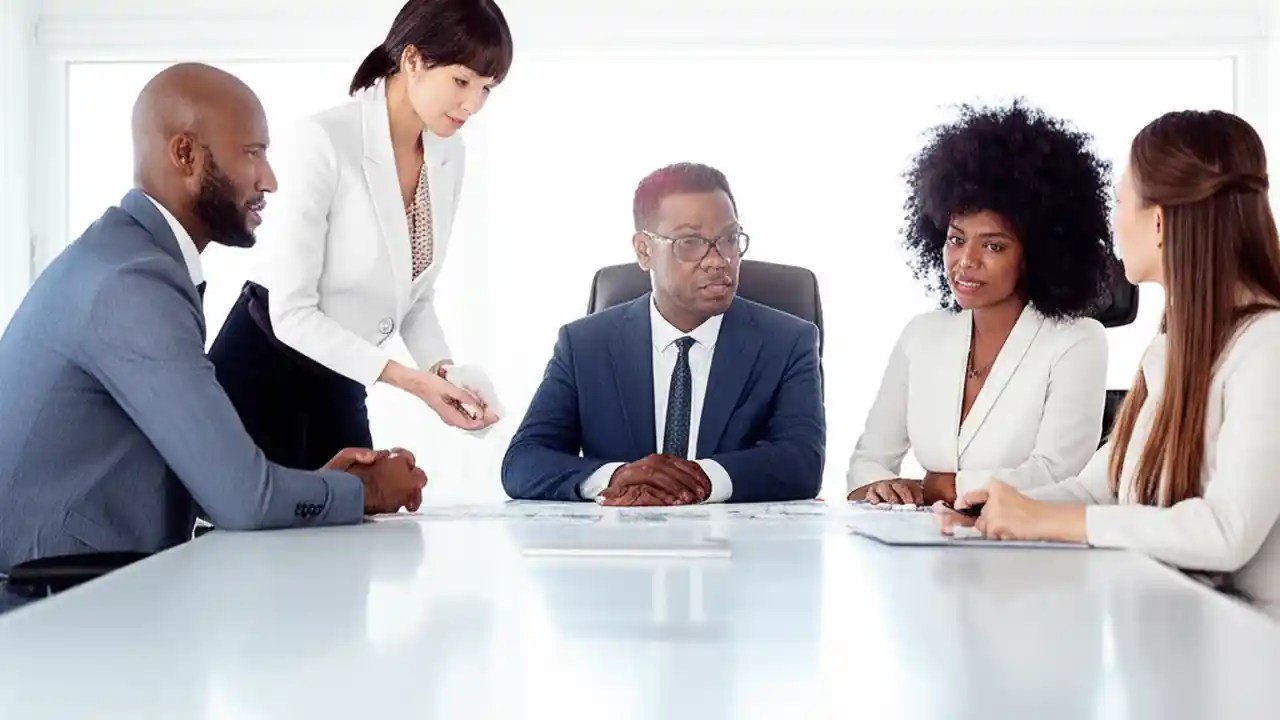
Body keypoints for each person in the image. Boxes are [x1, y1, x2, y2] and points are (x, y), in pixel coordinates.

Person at [0, 64, 427, 602]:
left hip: (90, 593)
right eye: (252, 152)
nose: (269, 179)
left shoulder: (126, 257)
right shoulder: (133, 283)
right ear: (185, 154)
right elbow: (242, 498)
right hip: (55, 618)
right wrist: (361, 491)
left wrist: (321, 482)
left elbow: (207, 478)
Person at [938, 110, 1280, 621]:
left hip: (1251, 653)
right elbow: (1099, 488)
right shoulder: (1171, 349)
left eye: (1121, 201)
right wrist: (998, 504)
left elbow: (1226, 533)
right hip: (1177, 632)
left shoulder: (1267, 347)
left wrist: (1052, 521)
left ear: (1159, 222)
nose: (1113, 221)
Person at [208, 0, 513, 471]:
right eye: (461, 80)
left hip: (344, 377)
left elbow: (414, 298)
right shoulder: (326, 140)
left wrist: (446, 373)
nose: (472, 104)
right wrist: (413, 382)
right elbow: (291, 313)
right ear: (412, 60)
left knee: (359, 529)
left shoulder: (449, 154)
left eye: (486, 89)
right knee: (257, 539)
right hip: (264, 371)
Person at [502, 163, 825, 505]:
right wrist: (616, 477)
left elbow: (802, 462)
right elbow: (523, 462)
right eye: (690, 242)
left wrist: (697, 481)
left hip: (736, 550)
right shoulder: (584, 344)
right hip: (618, 549)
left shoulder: (788, 341)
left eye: (729, 239)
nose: (719, 260)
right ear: (644, 250)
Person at [847, 101, 1114, 507]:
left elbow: (1058, 474)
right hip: (924, 550)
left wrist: (940, 487)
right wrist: (880, 487)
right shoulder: (923, 334)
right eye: (956, 239)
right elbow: (869, 461)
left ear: (1038, 253)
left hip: (1027, 555)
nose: (966, 260)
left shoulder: (1076, 341)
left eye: (993, 245)